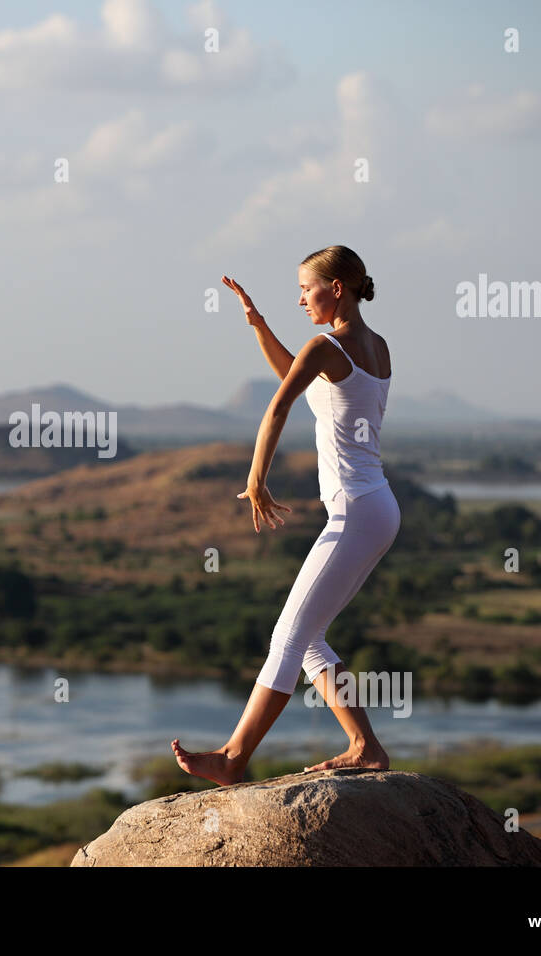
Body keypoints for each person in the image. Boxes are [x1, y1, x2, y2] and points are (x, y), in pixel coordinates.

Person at [172, 245, 401, 787]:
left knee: (289, 634)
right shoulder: (374, 346)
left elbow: (279, 404)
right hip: (376, 508)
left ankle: (233, 756)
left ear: (337, 288)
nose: (300, 299)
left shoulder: (327, 346)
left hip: (355, 513)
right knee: (310, 637)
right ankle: (365, 745)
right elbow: (304, 381)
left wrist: (255, 481)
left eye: (306, 289)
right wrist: (259, 325)